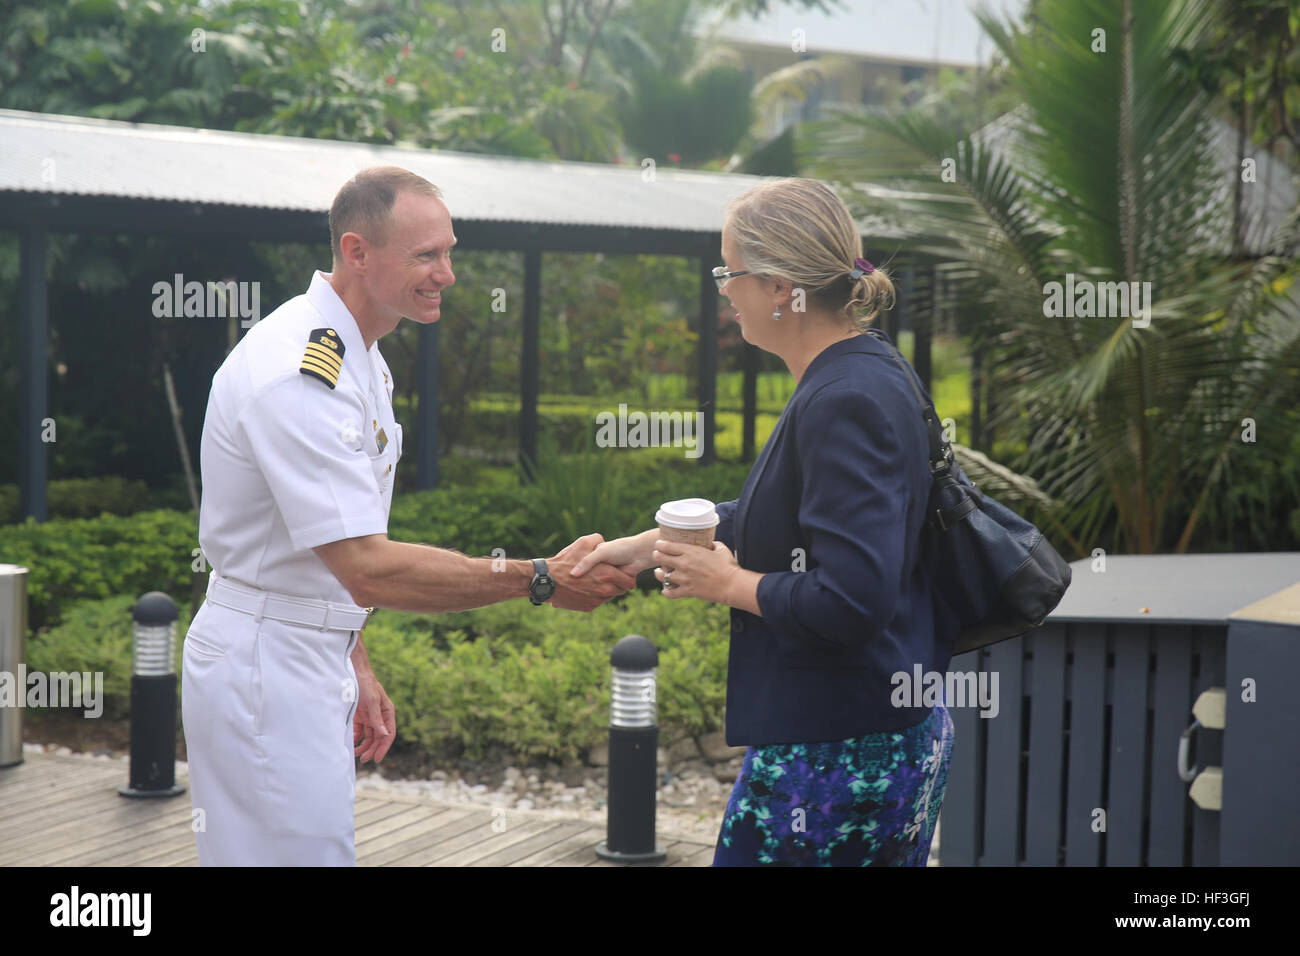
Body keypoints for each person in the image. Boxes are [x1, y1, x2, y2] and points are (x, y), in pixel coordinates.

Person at [182, 166, 636, 867]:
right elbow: (365, 564)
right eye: (427, 255)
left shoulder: (359, 355)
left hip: (298, 648)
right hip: (266, 667)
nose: (448, 275)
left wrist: (352, 654)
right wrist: (539, 578)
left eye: (449, 252)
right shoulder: (303, 372)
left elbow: (324, 553)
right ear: (358, 251)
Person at [571, 177, 957, 866]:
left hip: (839, 752)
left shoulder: (844, 399)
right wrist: (647, 546)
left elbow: (852, 597)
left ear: (782, 287)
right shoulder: (869, 369)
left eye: (731, 271)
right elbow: (810, 520)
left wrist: (729, 584)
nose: (724, 290)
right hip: (877, 726)